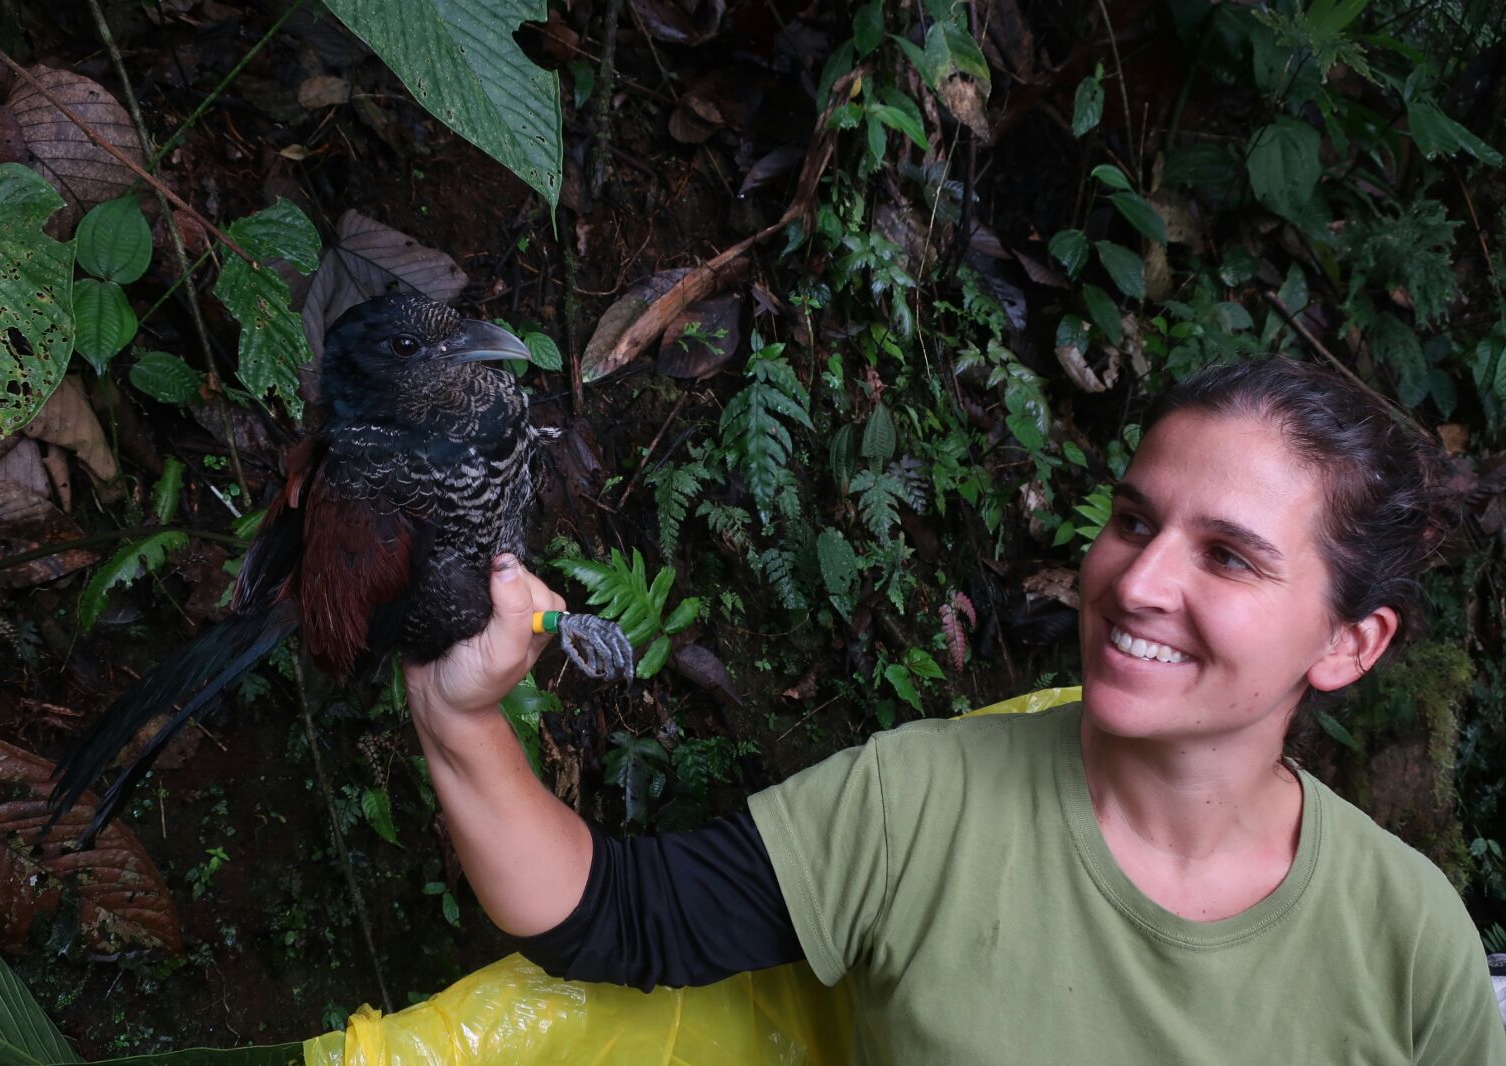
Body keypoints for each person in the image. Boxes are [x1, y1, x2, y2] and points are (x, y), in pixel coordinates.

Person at [403, 357, 1506, 1063]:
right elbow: (622, 917)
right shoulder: (920, 803)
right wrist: (461, 719)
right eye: (1132, 519)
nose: (1134, 580)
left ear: (1347, 644)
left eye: (1225, 556)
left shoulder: (1408, 943)